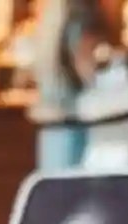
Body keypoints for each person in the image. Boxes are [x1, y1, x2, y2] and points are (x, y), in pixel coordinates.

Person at [32, 0, 110, 170]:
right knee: (71, 190)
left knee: (54, 189)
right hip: (72, 117)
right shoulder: (81, 8)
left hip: (51, 120)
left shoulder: (54, 8)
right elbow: (85, 64)